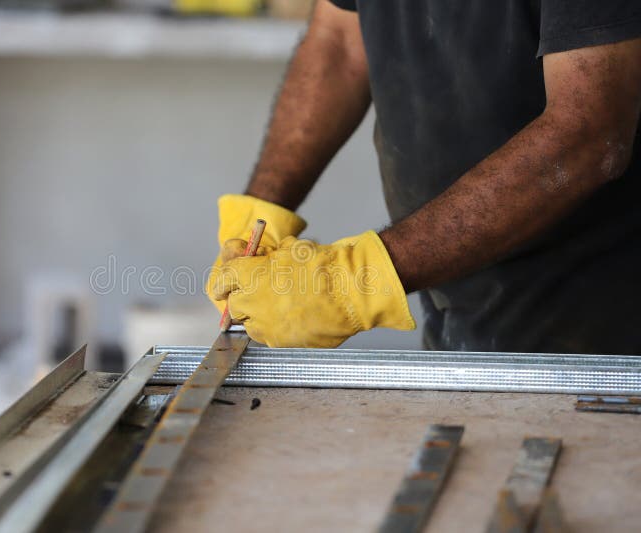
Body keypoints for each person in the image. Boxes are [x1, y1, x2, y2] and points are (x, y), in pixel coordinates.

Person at [207, 0, 641, 353]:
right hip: (454, 301)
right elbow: (339, 40)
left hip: (599, 329)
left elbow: (589, 133)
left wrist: (356, 281)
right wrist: (262, 209)